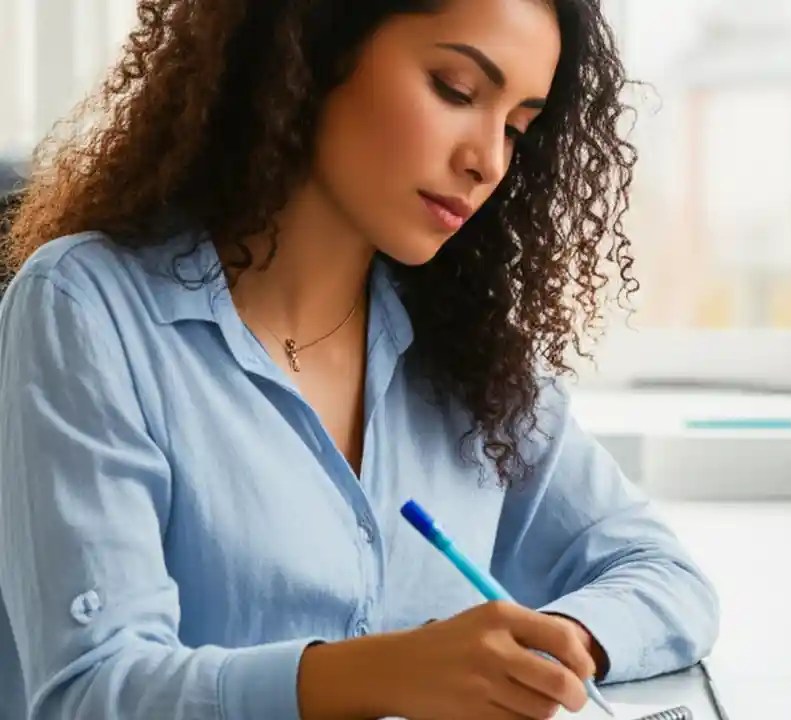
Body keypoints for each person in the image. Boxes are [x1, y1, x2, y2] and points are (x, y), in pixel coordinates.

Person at [0, 1, 719, 718]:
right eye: (455, 90)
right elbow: (90, 692)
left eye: (517, 127)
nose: (488, 160)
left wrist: (546, 648)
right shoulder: (86, 309)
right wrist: (383, 675)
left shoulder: (468, 353)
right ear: (312, 45)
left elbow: (663, 577)